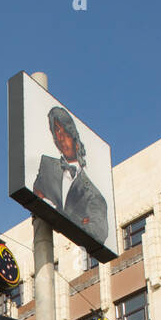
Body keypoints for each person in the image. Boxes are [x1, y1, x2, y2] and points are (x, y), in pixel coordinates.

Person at [32, 105, 109, 246]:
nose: (61, 138)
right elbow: (36, 193)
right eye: (57, 131)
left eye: (66, 133)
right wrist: (82, 219)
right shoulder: (47, 165)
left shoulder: (94, 196)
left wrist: (64, 217)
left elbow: (98, 233)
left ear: (76, 141)